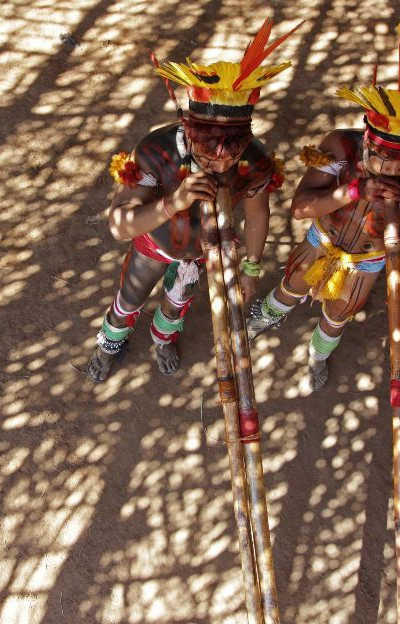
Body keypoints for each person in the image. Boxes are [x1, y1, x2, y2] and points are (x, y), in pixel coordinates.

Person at [246, 16, 400, 391]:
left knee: (340, 312)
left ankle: (318, 353)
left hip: (368, 261)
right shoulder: (341, 147)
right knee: (293, 283)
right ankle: (266, 315)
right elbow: (300, 209)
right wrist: (352, 191)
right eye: (382, 157)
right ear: (367, 141)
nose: (391, 169)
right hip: (320, 241)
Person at [86, 19, 302, 383]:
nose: (221, 167)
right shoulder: (157, 151)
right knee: (129, 299)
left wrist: (251, 268)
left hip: (202, 251)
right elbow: (120, 227)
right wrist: (174, 202)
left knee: (177, 303)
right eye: (207, 157)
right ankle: (108, 345)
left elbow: (256, 214)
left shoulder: (254, 161)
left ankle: (163, 339)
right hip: (153, 245)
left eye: (230, 158)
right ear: (189, 133)